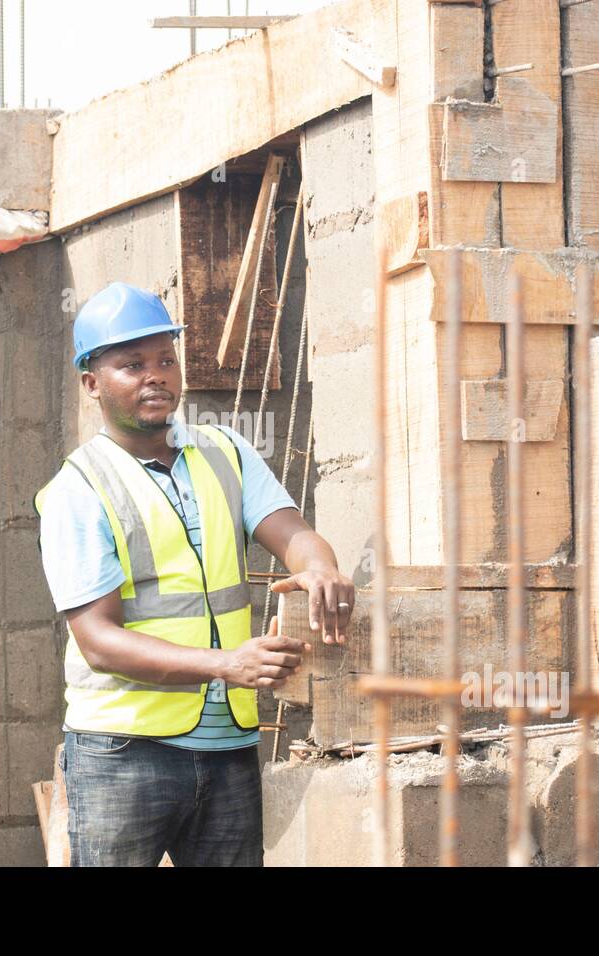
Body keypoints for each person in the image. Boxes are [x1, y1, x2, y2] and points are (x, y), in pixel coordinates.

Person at [34, 282, 355, 866]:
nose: (155, 375)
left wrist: (320, 568)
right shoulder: (77, 490)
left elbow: (293, 533)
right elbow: (98, 642)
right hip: (123, 753)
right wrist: (226, 665)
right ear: (91, 383)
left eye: (165, 359)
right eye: (131, 365)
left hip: (229, 747)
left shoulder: (225, 451)